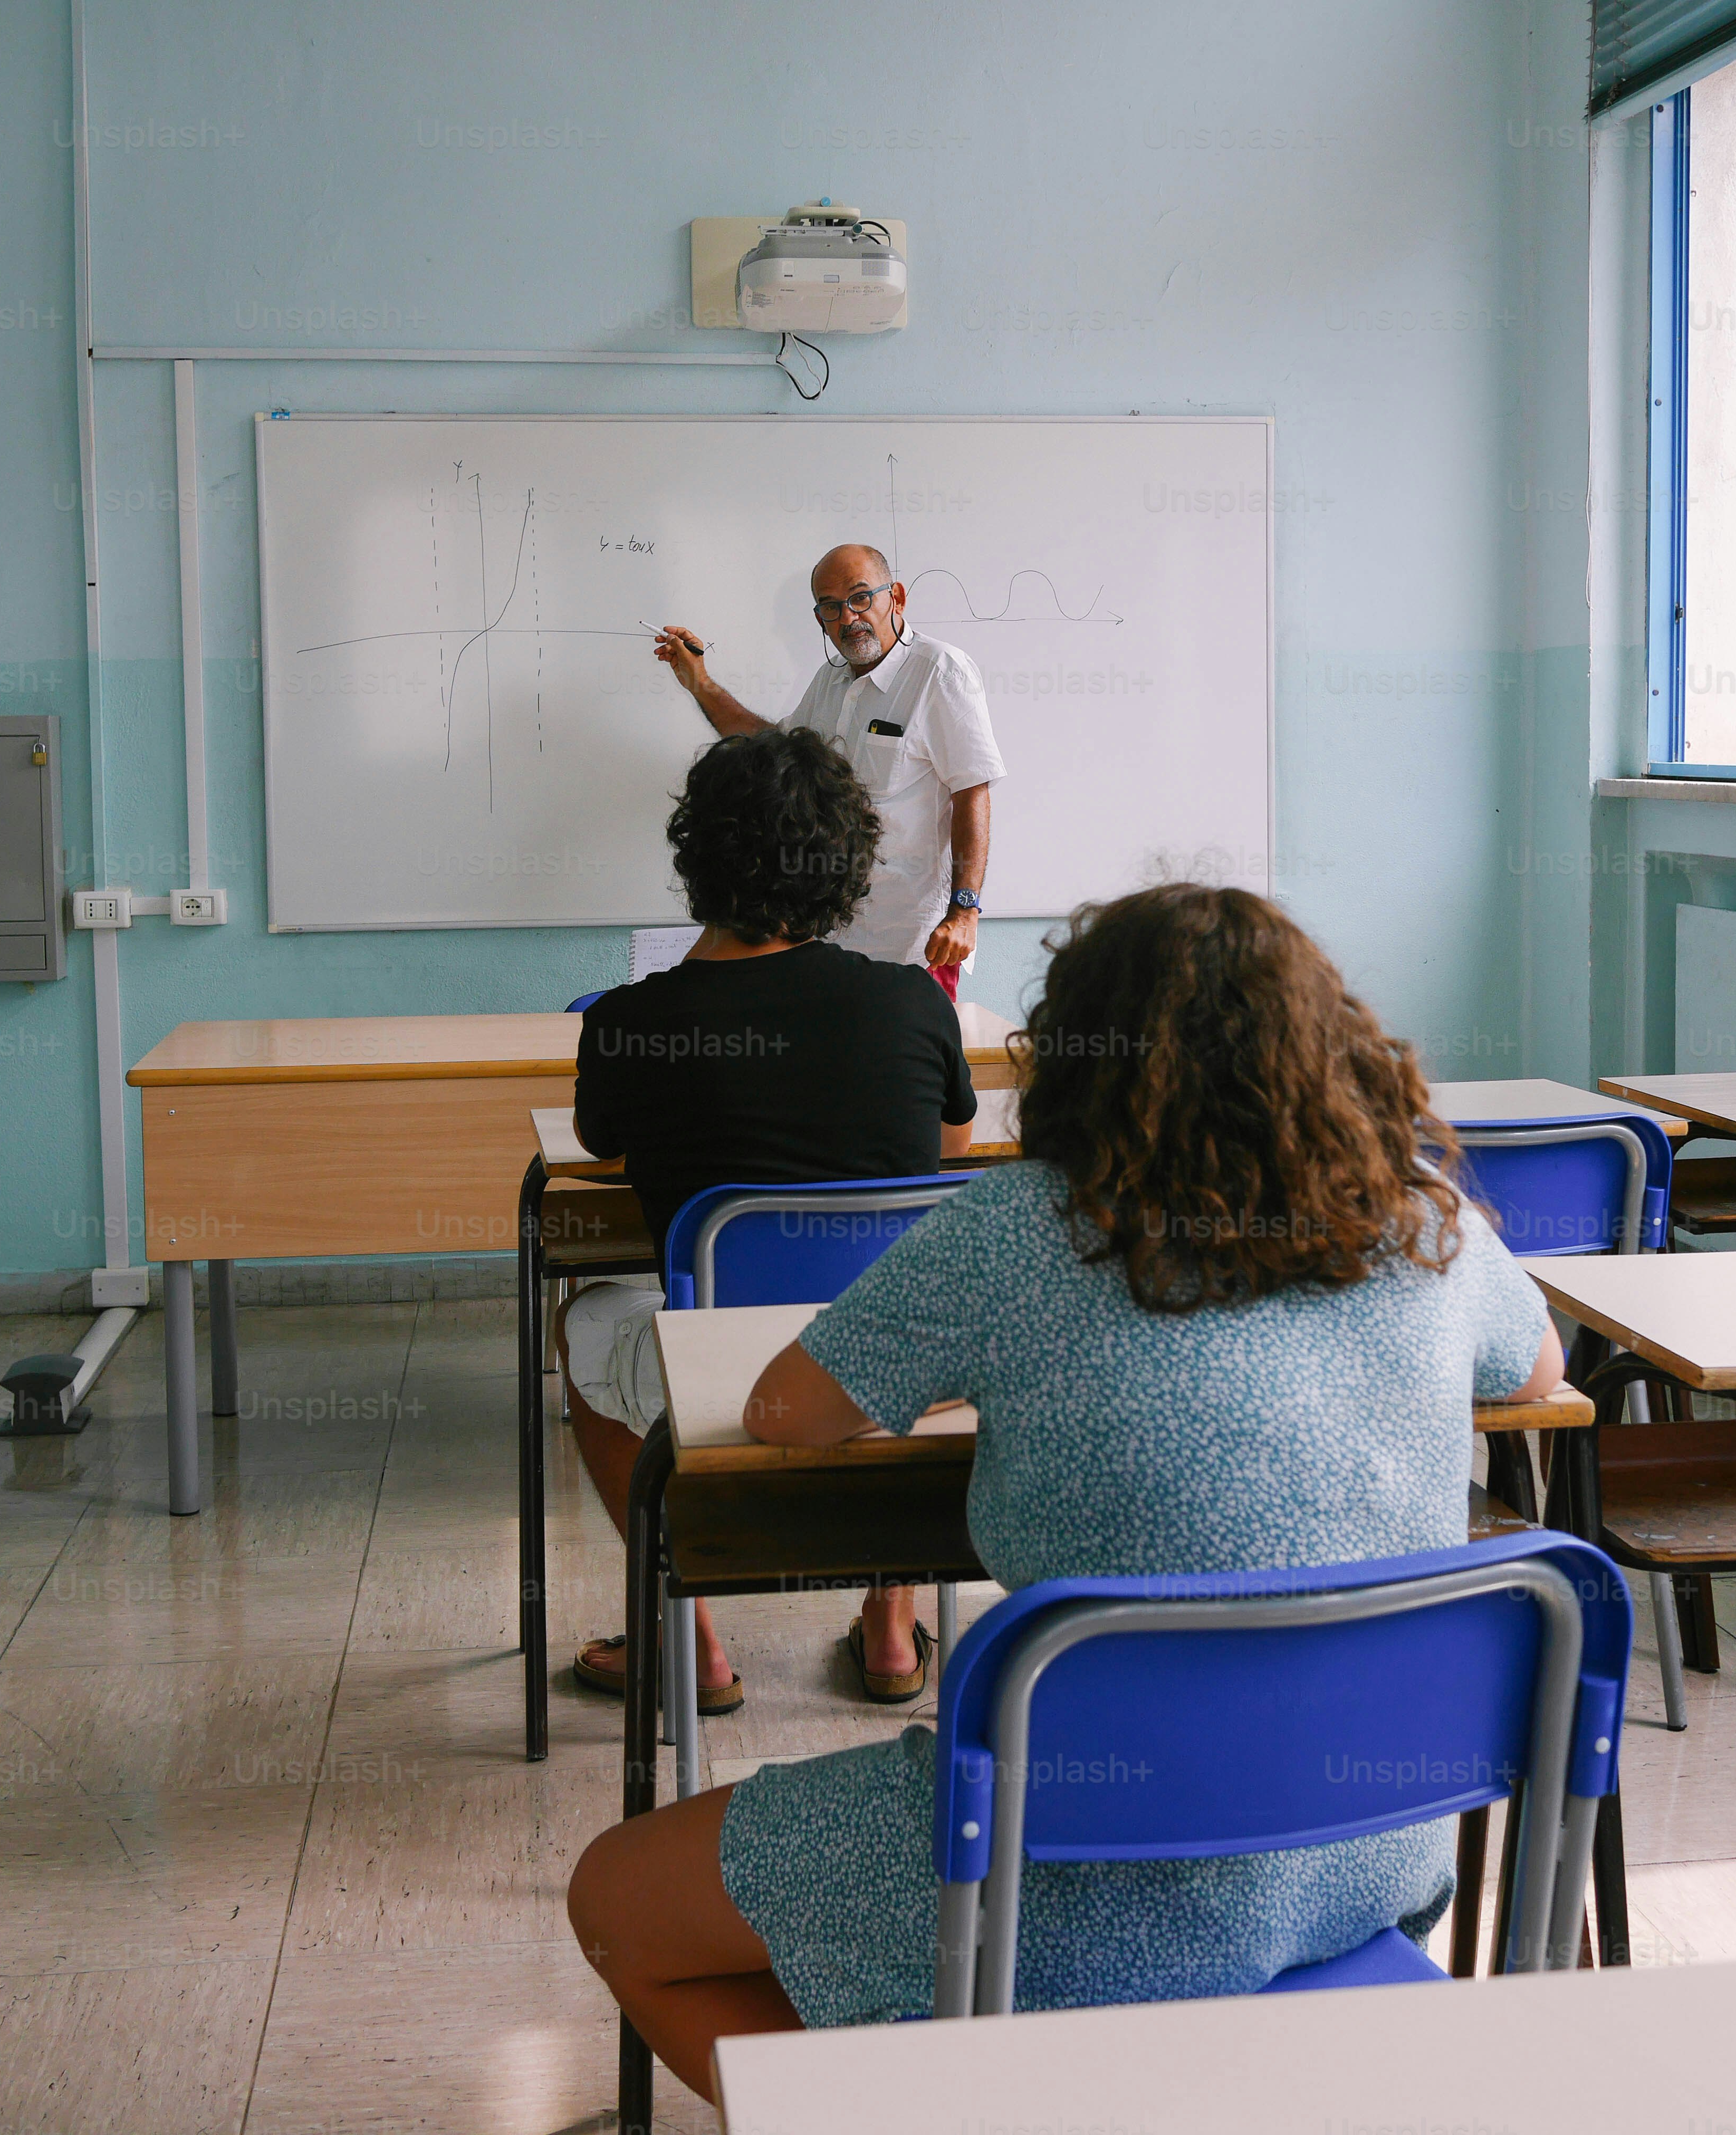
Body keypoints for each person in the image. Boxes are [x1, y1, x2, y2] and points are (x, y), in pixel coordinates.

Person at [567, 881, 1564, 2089]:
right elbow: (1538, 1367)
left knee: (616, 1901)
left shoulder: (1018, 1230)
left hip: (1070, 1872)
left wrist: (967, 1367)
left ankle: (921, 2117)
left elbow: (784, 1411)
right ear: (1331, 1045)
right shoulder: (1423, 1222)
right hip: (1365, 1860)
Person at [563, 725, 977, 1713]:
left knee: (582, 1321)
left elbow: (604, 1151)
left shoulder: (629, 1023)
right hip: (896, 1366)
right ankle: (889, 1623)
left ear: (694, 856)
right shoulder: (911, 1003)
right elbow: (946, 1160)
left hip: (721, 1377)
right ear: (843, 863)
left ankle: (690, 1641)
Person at [652, 542, 1005, 997]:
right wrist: (699, 682)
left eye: (862, 598)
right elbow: (772, 749)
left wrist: (965, 911)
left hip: (911, 944)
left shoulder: (940, 672)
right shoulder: (832, 678)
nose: (848, 618)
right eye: (831, 607)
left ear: (896, 596)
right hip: (825, 938)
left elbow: (972, 792)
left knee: (903, 1063)